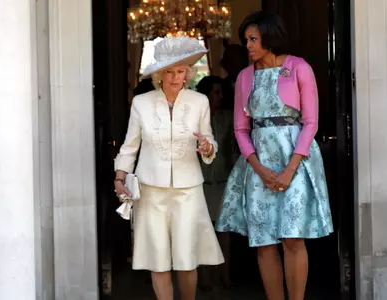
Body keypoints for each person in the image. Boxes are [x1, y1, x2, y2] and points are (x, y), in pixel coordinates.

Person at [215, 11, 334, 300]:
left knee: (293, 238)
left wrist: (290, 169)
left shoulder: (298, 67)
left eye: (253, 39)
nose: (248, 45)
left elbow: (311, 123)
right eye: (246, 40)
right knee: (264, 242)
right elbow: (241, 129)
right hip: (258, 166)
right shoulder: (244, 77)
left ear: (270, 37)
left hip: (296, 161)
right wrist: (257, 167)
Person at [113, 36, 224, 300]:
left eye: (181, 71)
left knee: (187, 259)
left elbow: (208, 140)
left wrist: (208, 148)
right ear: (159, 74)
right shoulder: (141, 103)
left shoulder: (200, 102)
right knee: (158, 259)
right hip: (151, 190)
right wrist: (120, 178)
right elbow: (130, 145)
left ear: (188, 72)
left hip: (188, 189)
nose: (176, 77)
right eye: (170, 71)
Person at [195, 75, 237, 292]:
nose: (219, 97)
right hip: (200, 181)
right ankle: (204, 276)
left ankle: (225, 274)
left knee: (224, 231)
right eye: (215, 93)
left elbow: (233, 148)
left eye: (221, 93)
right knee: (202, 229)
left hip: (223, 179)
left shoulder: (228, 118)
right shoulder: (194, 120)